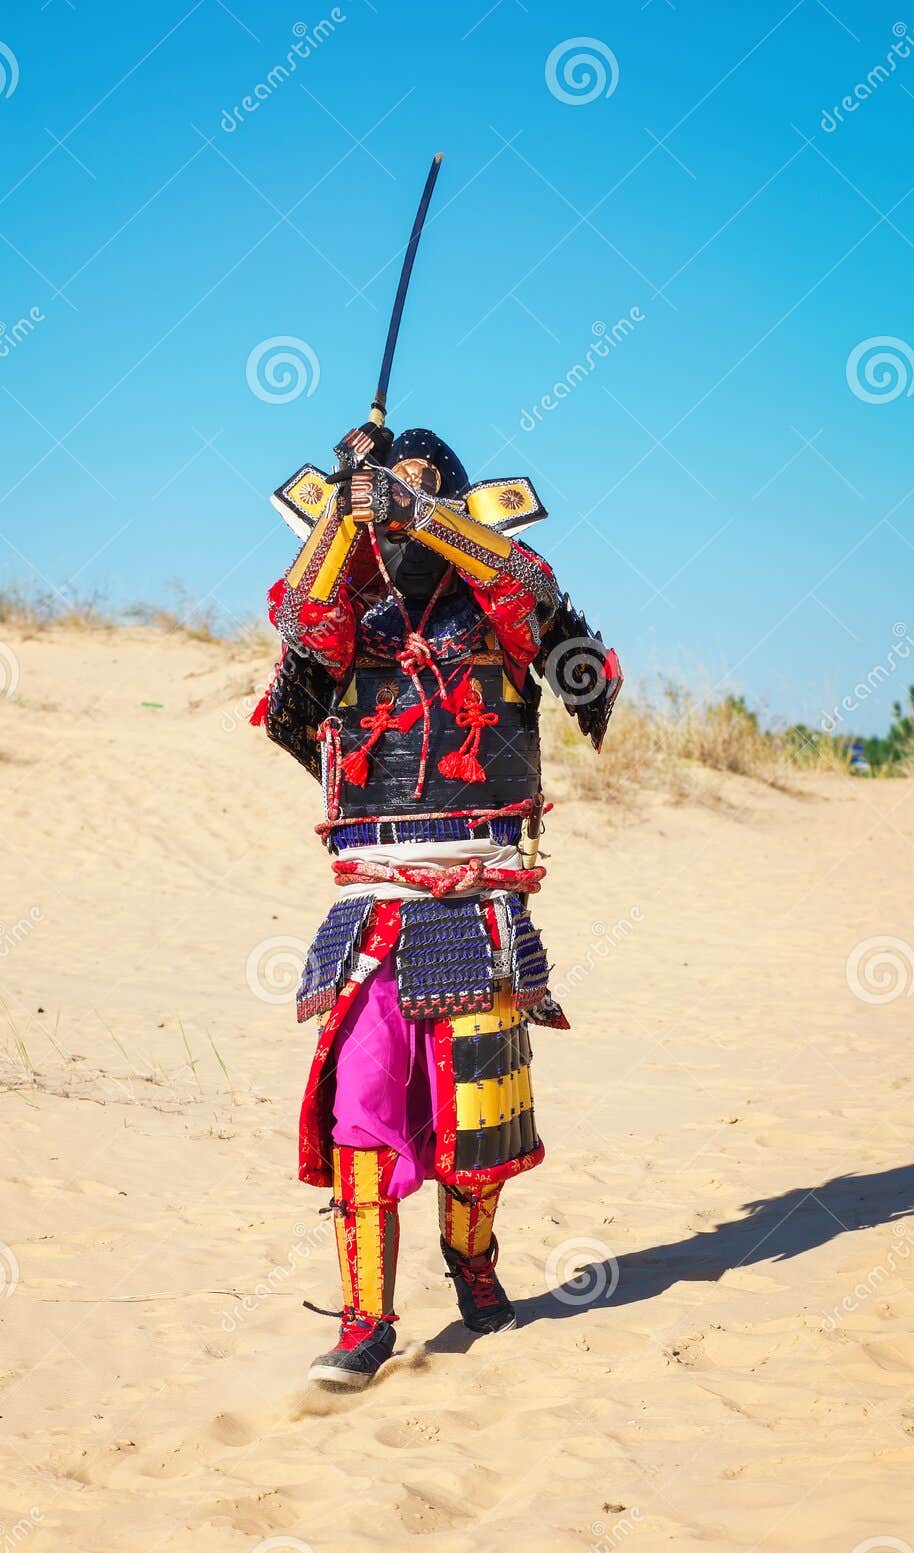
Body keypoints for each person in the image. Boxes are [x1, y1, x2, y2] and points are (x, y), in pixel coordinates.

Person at [255, 421, 621, 1387]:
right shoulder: (345, 619)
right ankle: (366, 1318)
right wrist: (343, 507)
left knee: (477, 1126)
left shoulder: (495, 608)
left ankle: (474, 1261)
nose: (393, 512)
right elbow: (298, 659)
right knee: (360, 1111)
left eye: (416, 495)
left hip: (476, 897)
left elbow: (545, 616)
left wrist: (418, 510)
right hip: (374, 903)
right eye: (386, 495)